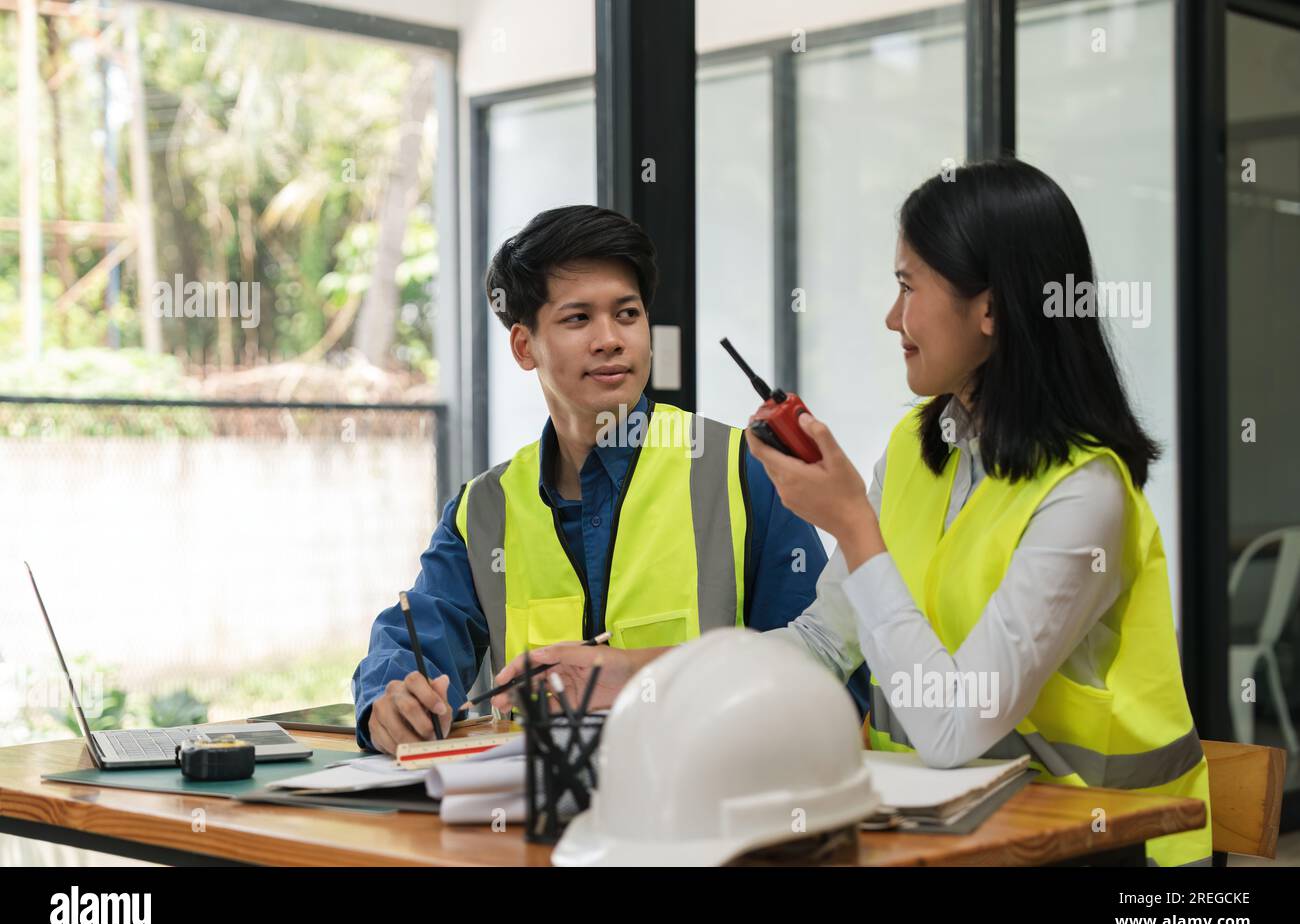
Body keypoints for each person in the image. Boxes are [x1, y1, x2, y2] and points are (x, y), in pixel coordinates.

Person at [517, 161, 1212, 867]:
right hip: (953, 839)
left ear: (991, 309)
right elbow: (822, 646)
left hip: (1115, 852)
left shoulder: (1086, 494)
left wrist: (851, 523)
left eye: (909, 287)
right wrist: (625, 673)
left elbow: (951, 725)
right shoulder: (917, 449)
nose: (892, 318)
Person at [352, 204, 870, 754]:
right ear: (524, 346)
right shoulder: (482, 511)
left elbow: (823, 675)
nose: (610, 339)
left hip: (712, 813)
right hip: (533, 822)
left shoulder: (747, 472)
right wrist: (392, 699)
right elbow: (420, 632)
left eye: (627, 314)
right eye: (578, 319)